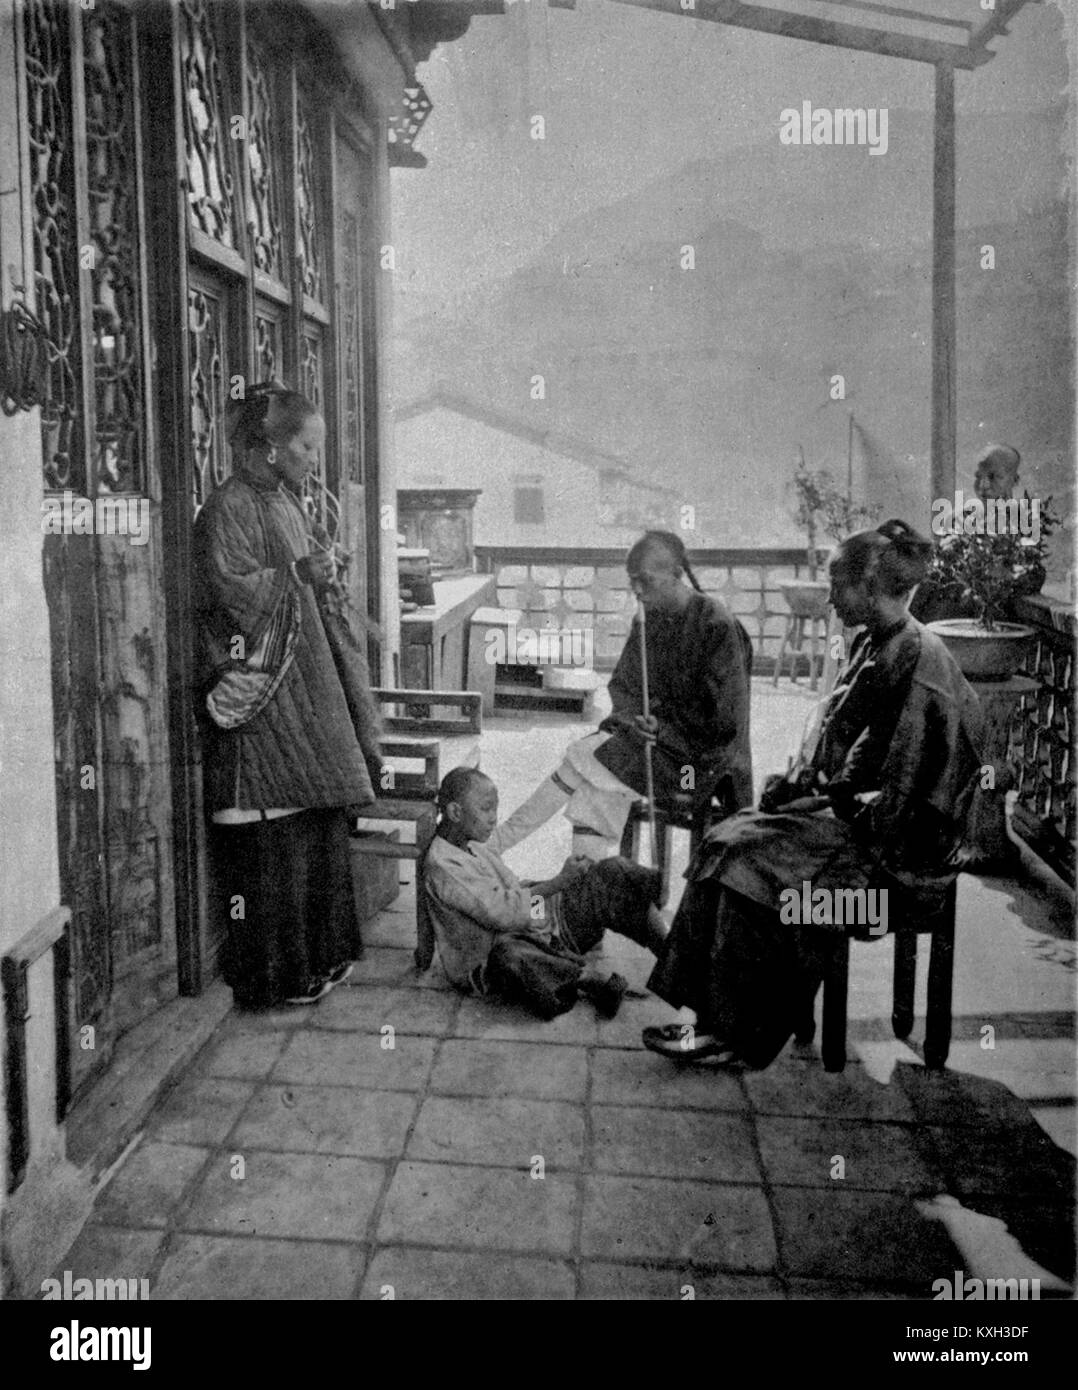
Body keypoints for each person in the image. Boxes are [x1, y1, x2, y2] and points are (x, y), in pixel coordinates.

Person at [643, 519, 984, 1068]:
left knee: (747, 865)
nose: (828, 597)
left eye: (836, 585)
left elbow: (905, 792)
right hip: (864, 820)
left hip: (898, 859)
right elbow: (839, 744)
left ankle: (737, 1035)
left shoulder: (918, 662)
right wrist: (798, 789)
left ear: (869, 588)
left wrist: (823, 808)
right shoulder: (878, 642)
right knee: (726, 837)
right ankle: (710, 1017)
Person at [193, 383, 383, 1008]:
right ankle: (273, 976)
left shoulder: (285, 502)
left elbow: (296, 577)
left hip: (304, 683)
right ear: (271, 447)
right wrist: (297, 574)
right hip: (263, 688)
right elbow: (227, 590)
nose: (312, 458)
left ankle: (320, 958)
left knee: (316, 817)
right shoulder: (227, 506)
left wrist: (320, 568)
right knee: (274, 834)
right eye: (305, 445)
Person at [494, 530, 754, 861]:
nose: (637, 591)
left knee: (583, 757)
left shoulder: (717, 625)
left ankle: (501, 844)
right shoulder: (648, 619)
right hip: (658, 748)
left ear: (676, 574)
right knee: (594, 786)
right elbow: (625, 687)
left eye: (645, 580)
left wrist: (662, 728)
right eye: (633, 581)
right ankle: (598, 891)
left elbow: (725, 720)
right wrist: (636, 720)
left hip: (699, 766)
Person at [423, 767, 669, 1020]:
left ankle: (673, 958)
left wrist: (567, 886)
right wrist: (559, 882)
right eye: (486, 809)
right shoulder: (445, 866)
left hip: (538, 929)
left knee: (612, 871)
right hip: (492, 960)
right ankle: (586, 978)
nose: (493, 818)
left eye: (495, 809)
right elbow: (504, 915)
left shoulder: (469, 840)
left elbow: (516, 892)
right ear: (455, 812)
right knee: (509, 956)